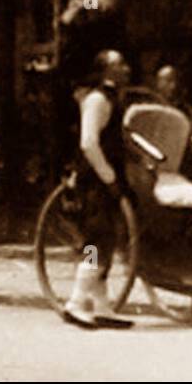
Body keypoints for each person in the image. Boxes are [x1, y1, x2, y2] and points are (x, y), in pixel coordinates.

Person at [63, 49, 134, 330]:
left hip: (108, 179)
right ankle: (76, 302)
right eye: (119, 64)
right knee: (95, 241)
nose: (125, 68)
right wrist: (108, 176)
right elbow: (88, 143)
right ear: (105, 70)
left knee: (106, 241)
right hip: (95, 179)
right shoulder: (96, 100)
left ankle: (102, 306)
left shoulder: (115, 99)